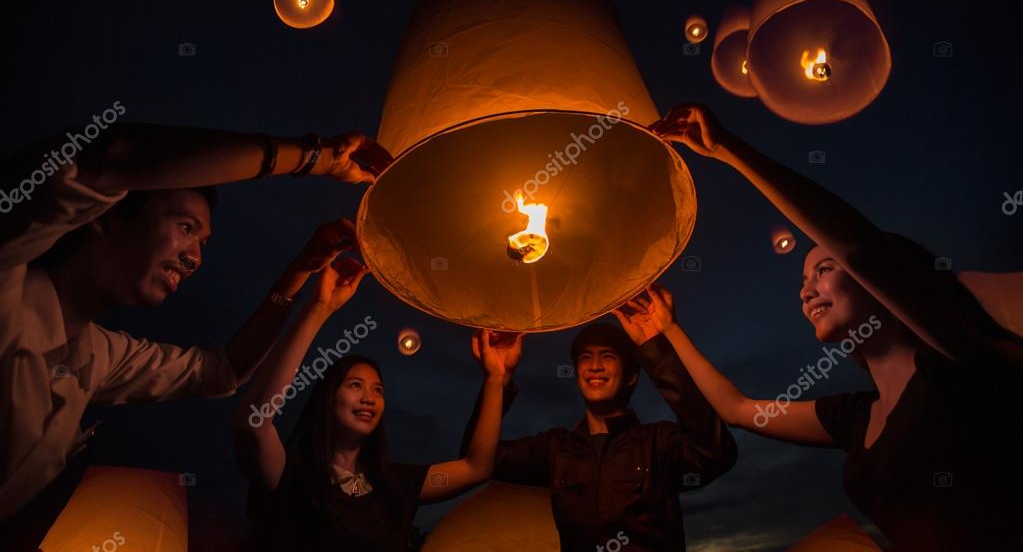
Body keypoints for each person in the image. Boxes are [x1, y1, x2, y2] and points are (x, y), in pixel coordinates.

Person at [639, 103, 1023, 550]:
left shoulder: (956, 357)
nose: (805, 293)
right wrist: (668, 327)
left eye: (823, 270)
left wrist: (729, 149)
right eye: (803, 281)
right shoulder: (854, 417)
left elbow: (861, 248)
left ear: (877, 281)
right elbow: (738, 409)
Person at [0, 122, 391, 536]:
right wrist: (313, 157)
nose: (194, 259)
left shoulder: (96, 356)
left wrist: (301, 271)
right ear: (104, 214)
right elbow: (107, 159)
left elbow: (224, 370)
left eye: (204, 243)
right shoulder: (8, 276)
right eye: (186, 228)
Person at [233, 224, 522, 551]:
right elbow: (254, 423)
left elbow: (476, 467)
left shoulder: (394, 484)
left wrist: (496, 377)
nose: (369, 397)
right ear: (329, 397)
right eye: (356, 385)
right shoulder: (292, 475)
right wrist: (319, 310)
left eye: (378, 390)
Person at [461, 320, 738, 552]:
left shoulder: (659, 443)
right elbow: (477, 462)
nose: (594, 366)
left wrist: (652, 351)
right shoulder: (555, 448)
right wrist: (497, 379)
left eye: (607, 356)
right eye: (585, 357)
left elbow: (716, 452)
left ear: (631, 376)